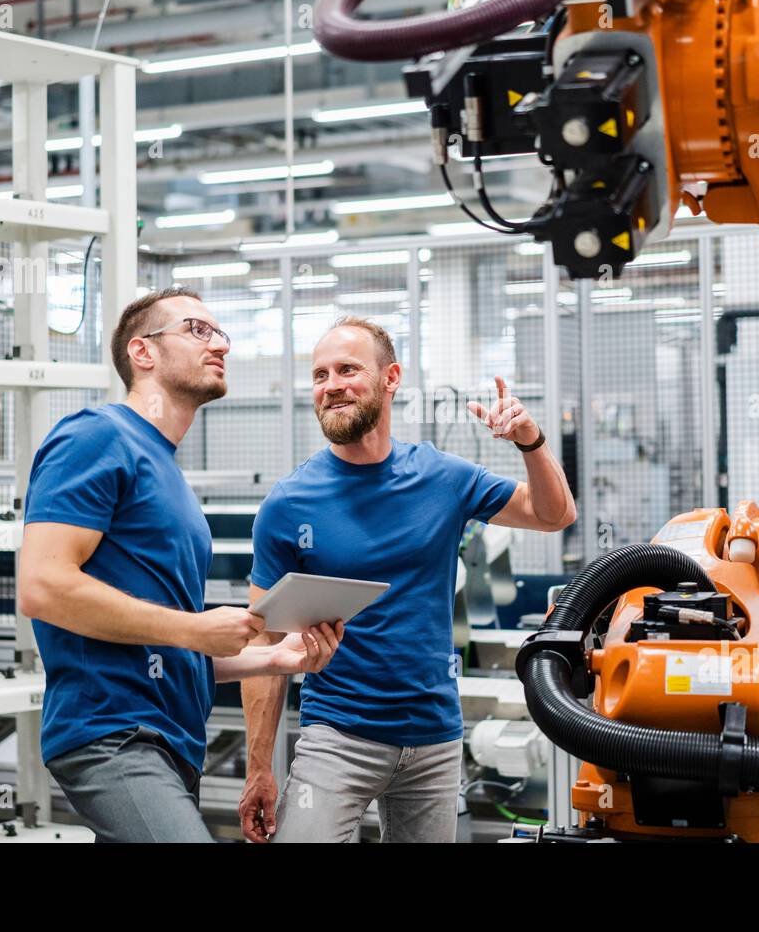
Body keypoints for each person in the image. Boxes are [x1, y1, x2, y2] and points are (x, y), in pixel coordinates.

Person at [18, 287, 343, 843]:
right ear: (142, 353)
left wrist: (276, 659)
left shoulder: (168, 472)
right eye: (197, 330)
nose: (218, 345)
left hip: (171, 743)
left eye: (222, 335)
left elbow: (166, 652)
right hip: (114, 737)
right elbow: (42, 587)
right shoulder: (97, 436)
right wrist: (195, 627)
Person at [239, 316, 575, 843]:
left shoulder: (443, 477)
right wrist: (258, 765)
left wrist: (530, 441)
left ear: (390, 378)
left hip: (434, 740)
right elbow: (263, 639)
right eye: (320, 374)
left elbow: (553, 514)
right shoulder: (288, 504)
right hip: (337, 737)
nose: (331, 385)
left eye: (347, 369)